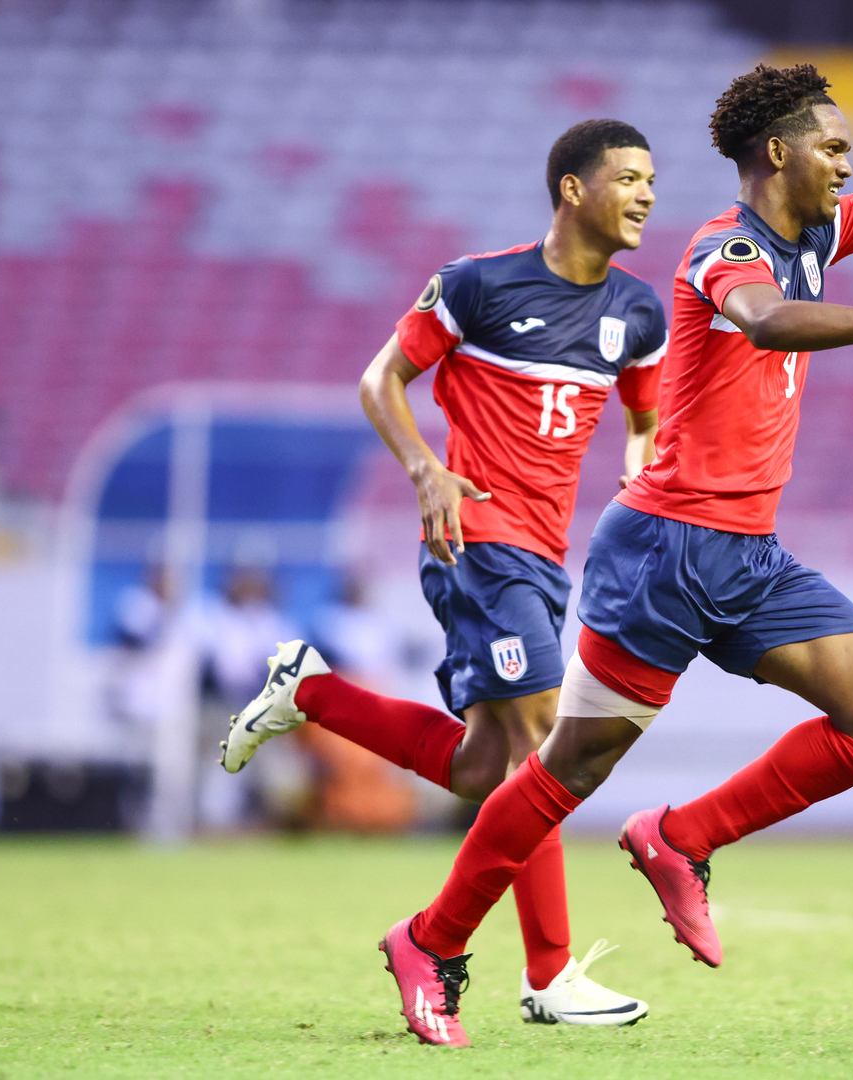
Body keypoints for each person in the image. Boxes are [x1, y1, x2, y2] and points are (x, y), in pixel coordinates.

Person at [377, 62, 853, 1046]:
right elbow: (763, 321)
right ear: (779, 153)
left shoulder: (816, 238)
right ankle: (431, 942)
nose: (850, 165)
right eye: (834, 148)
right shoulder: (722, 248)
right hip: (664, 553)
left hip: (748, 556)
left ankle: (681, 837)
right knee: (568, 766)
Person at [219, 120, 667, 1028]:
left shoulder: (638, 312)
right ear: (573, 190)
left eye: (652, 179)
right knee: (546, 742)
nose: (647, 194)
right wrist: (426, 469)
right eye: (627, 177)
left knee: (482, 770)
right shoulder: (477, 284)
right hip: (475, 541)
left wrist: (641, 471)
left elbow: (644, 416)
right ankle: (546, 976)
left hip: (546, 556)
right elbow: (380, 380)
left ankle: (310, 696)